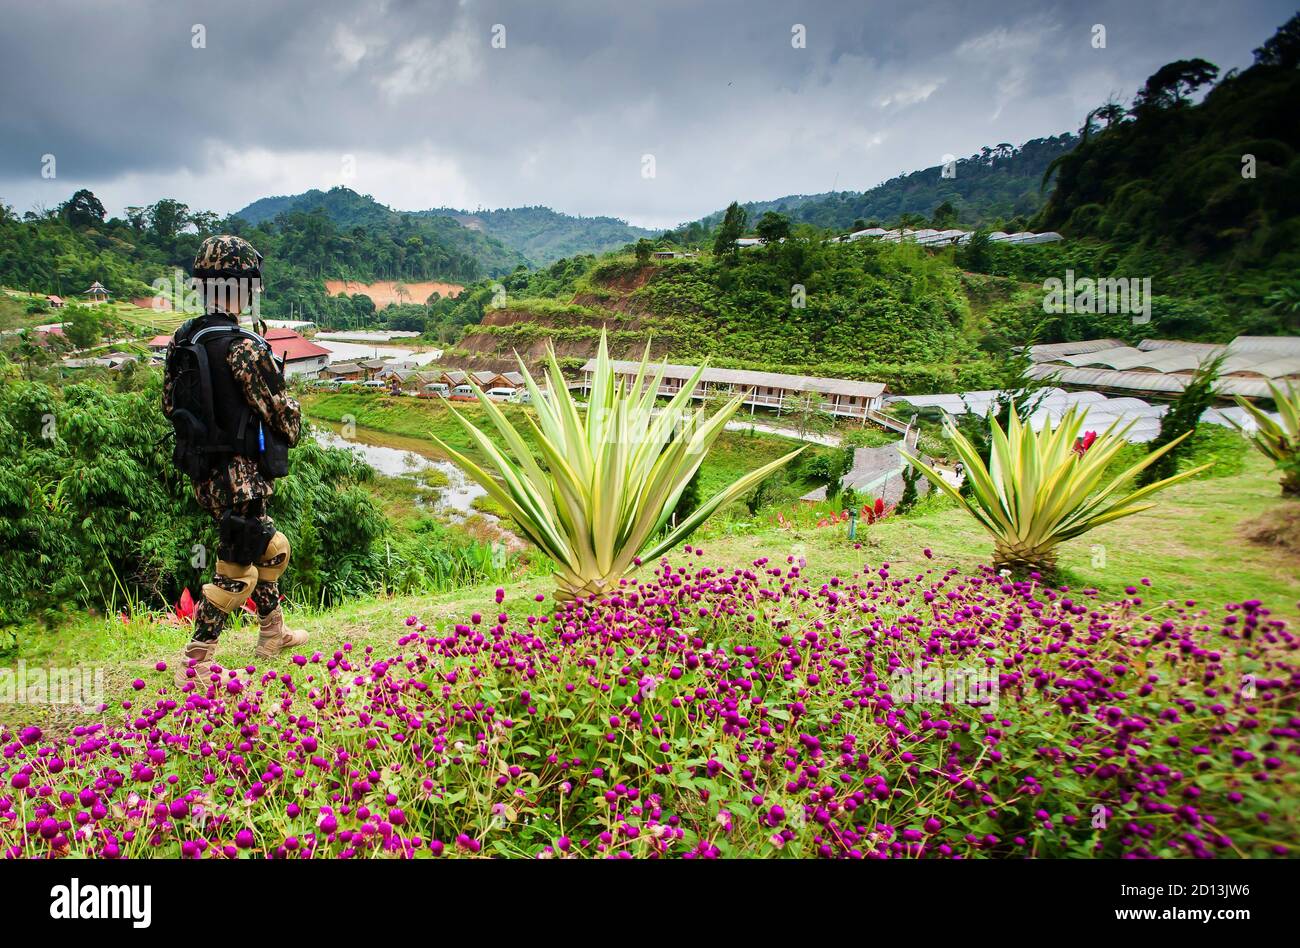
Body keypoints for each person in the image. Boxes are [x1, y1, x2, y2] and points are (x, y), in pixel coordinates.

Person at [161, 235, 307, 686]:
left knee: (268, 548)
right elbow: (280, 414)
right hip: (242, 473)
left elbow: (170, 406)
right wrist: (290, 426)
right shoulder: (245, 346)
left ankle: (273, 632)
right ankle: (198, 654)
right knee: (236, 568)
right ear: (243, 288)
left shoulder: (184, 338)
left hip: (204, 470)